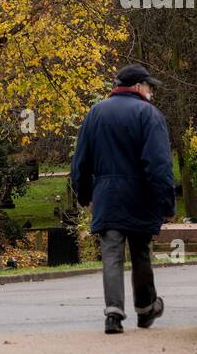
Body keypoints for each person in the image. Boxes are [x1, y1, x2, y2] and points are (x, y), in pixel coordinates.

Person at [71, 63, 176, 334]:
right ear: (139, 87)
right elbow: (159, 165)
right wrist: (166, 203)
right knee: (141, 252)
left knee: (112, 254)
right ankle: (146, 308)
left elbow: (81, 161)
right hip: (140, 196)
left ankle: (113, 313)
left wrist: (84, 194)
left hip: (107, 196)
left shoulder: (96, 113)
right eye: (150, 87)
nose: (152, 92)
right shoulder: (149, 115)